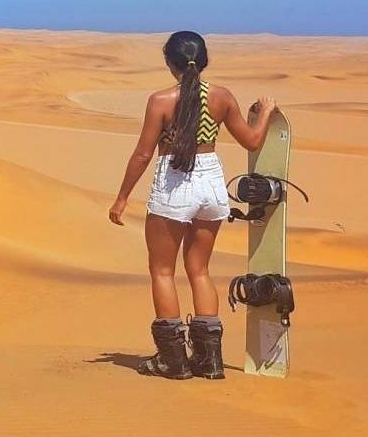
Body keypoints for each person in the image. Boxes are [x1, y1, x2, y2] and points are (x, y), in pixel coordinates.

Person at [107, 31, 277, 380]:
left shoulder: (160, 100)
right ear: (204, 61)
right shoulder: (222, 98)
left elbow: (143, 154)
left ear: (170, 63)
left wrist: (122, 197)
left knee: (163, 271)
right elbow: (253, 140)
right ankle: (209, 361)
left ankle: (172, 360)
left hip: (174, 184)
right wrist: (266, 114)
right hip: (211, 183)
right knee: (199, 270)